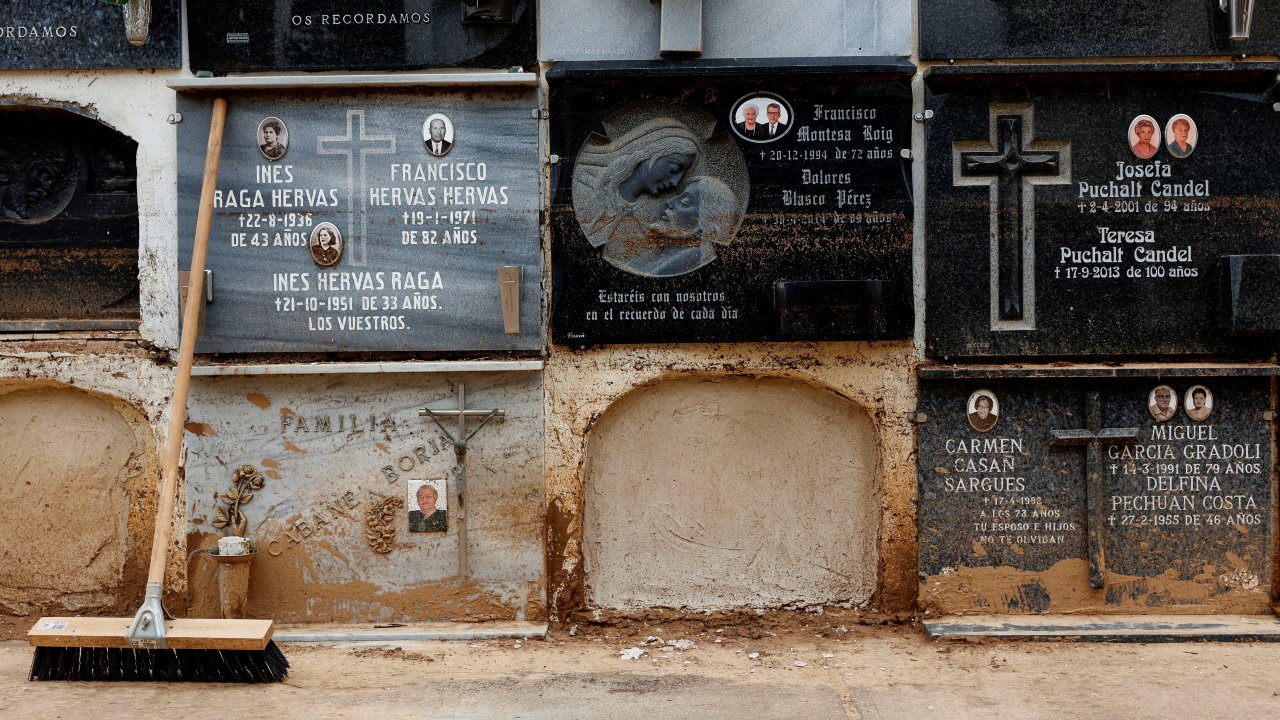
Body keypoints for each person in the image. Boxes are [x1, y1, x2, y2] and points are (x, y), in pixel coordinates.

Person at [571, 117, 702, 254]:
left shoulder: (660, 215)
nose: (675, 182)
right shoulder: (586, 182)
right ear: (649, 153)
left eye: (683, 175)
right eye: (675, 169)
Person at [608, 176, 738, 277]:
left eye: (685, 203)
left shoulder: (692, 255)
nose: (669, 202)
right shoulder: (659, 254)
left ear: (706, 225)